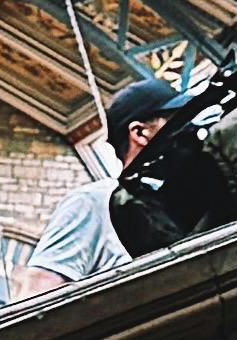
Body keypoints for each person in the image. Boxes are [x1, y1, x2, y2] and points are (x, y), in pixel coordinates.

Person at [16, 74, 183, 296]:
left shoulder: (182, 200)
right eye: (177, 121)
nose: (188, 128)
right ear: (140, 132)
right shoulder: (94, 203)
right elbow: (38, 294)